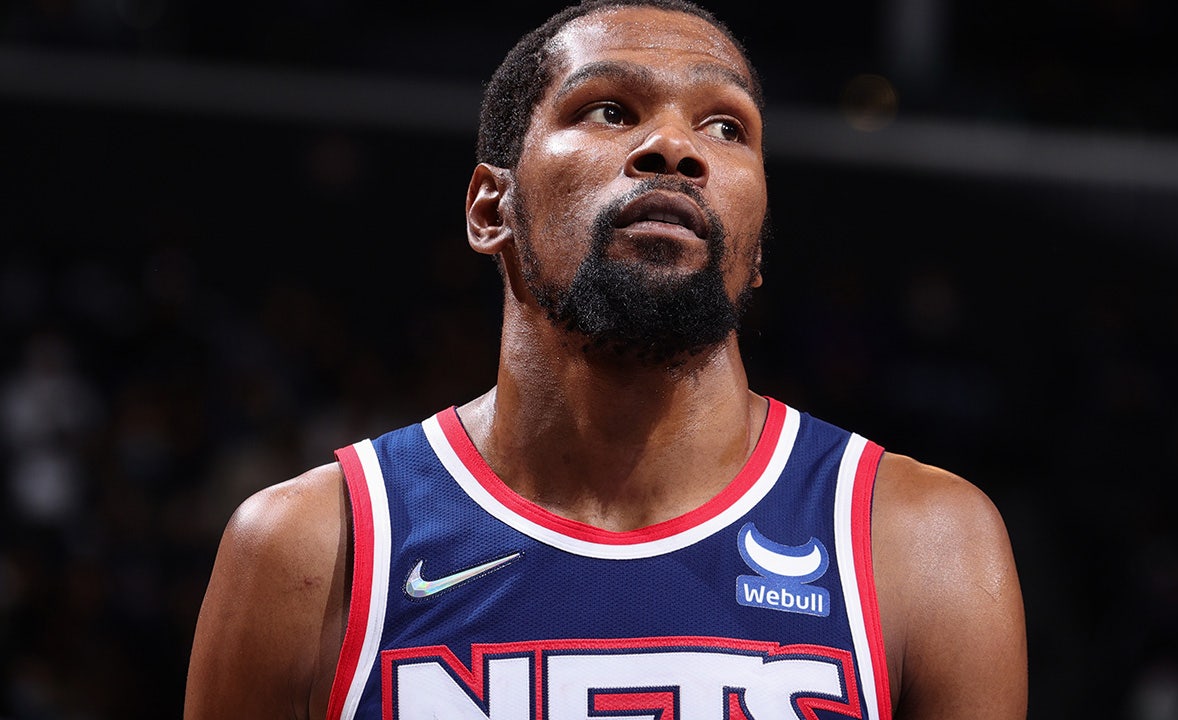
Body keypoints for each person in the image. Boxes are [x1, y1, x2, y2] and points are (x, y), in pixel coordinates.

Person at [184, 1, 1028, 717]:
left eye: (725, 126)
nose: (675, 148)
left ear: (757, 245)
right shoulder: (309, 548)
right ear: (490, 208)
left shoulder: (922, 543)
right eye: (612, 111)